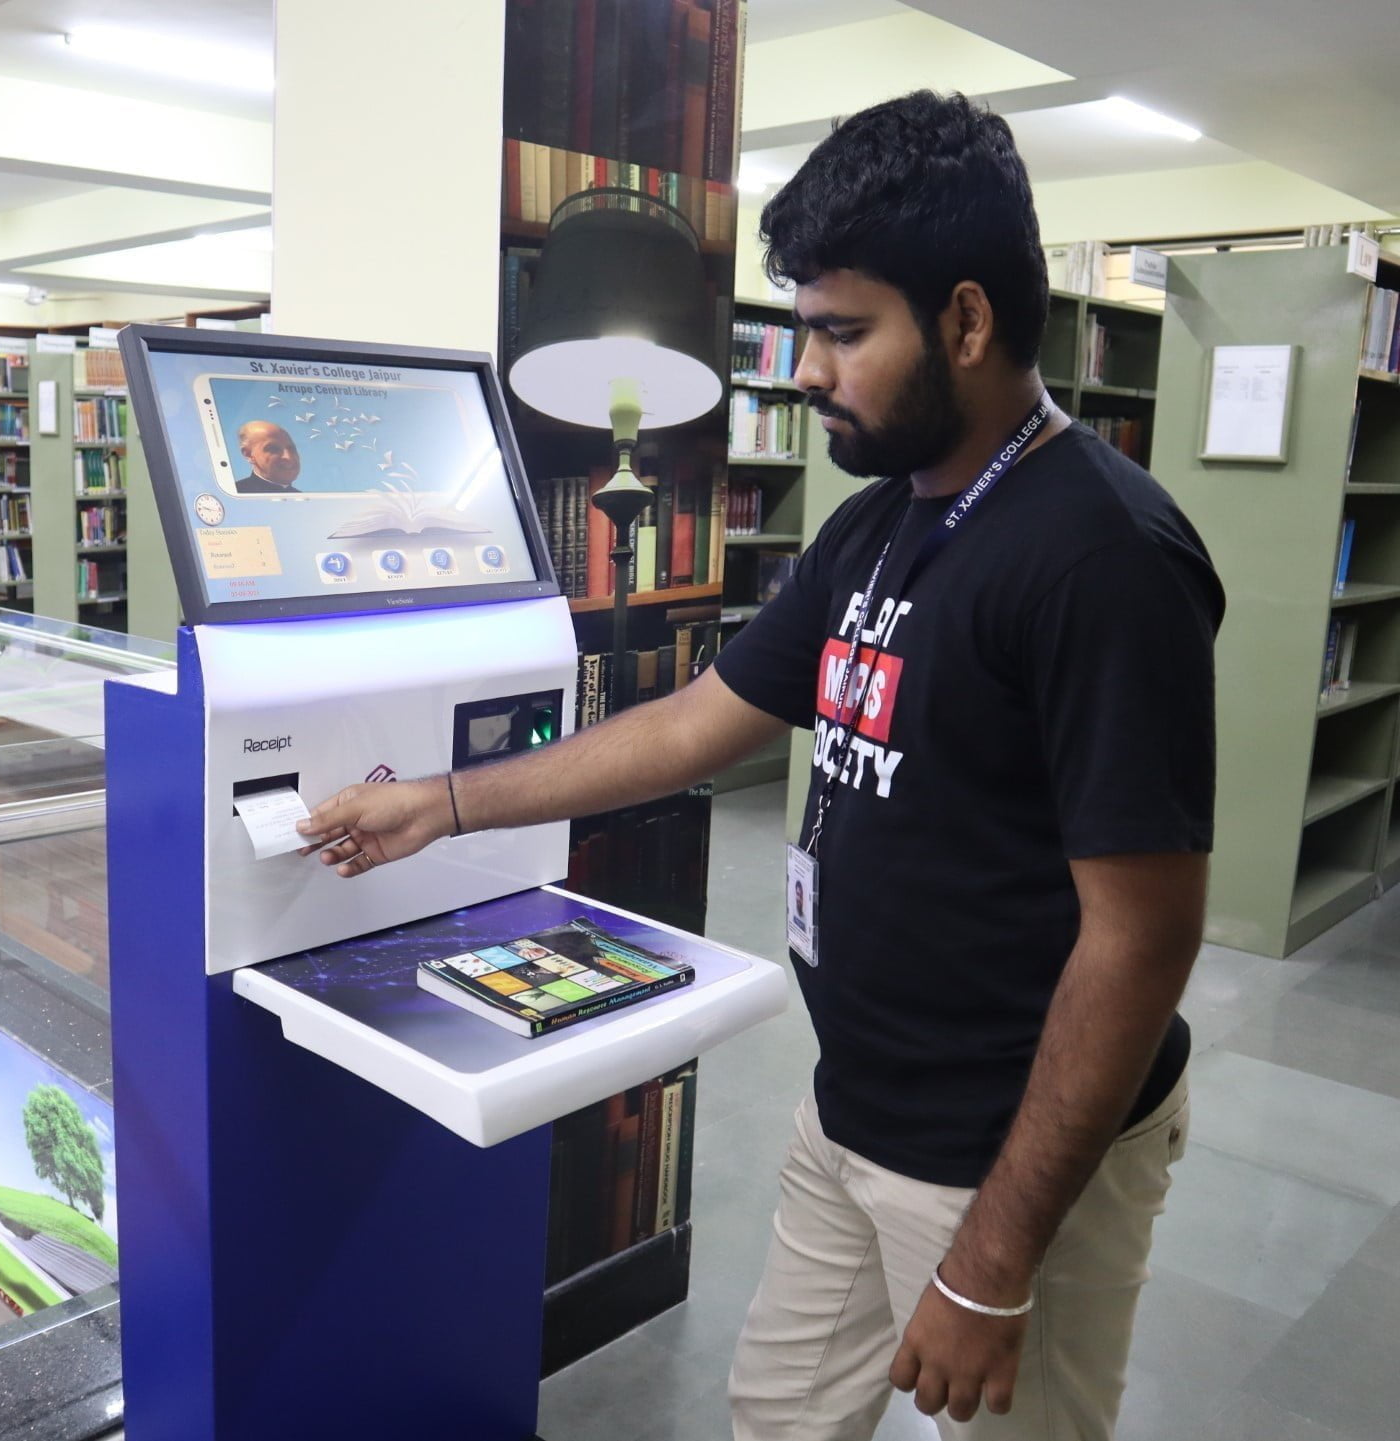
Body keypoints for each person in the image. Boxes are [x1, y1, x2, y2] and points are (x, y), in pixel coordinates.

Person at [298, 90, 1221, 1441]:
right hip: (854, 1111)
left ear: (966, 323)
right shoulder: (876, 530)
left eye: (845, 334)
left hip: (1014, 1164)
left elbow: (1143, 939)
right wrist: (441, 806)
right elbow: (690, 724)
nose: (803, 370)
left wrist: (996, 1257)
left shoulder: (1103, 561)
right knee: (777, 1416)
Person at [236, 420, 303, 493]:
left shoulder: (305, 499)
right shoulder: (235, 493)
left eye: (291, 449)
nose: (288, 457)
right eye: (274, 449)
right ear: (248, 454)